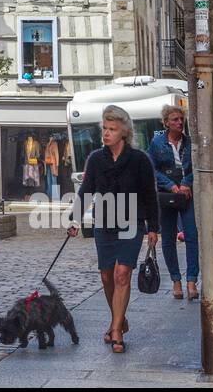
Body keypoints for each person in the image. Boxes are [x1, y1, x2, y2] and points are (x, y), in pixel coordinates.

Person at [68, 105, 159, 354]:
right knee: (107, 276)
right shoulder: (96, 159)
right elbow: (86, 190)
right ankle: (119, 319)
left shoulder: (140, 160)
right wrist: (75, 219)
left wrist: (154, 227)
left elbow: (150, 195)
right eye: (104, 129)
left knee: (122, 274)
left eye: (112, 129)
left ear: (124, 132)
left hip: (132, 222)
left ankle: (117, 330)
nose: (106, 133)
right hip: (105, 223)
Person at [148, 104, 198, 301]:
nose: (179, 122)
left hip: (186, 195)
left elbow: (198, 165)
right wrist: (170, 185)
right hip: (166, 195)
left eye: (181, 119)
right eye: (175, 119)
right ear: (166, 122)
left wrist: (186, 183)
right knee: (168, 239)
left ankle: (192, 281)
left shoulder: (189, 143)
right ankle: (176, 281)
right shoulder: (157, 143)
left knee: (191, 236)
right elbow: (152, 168)